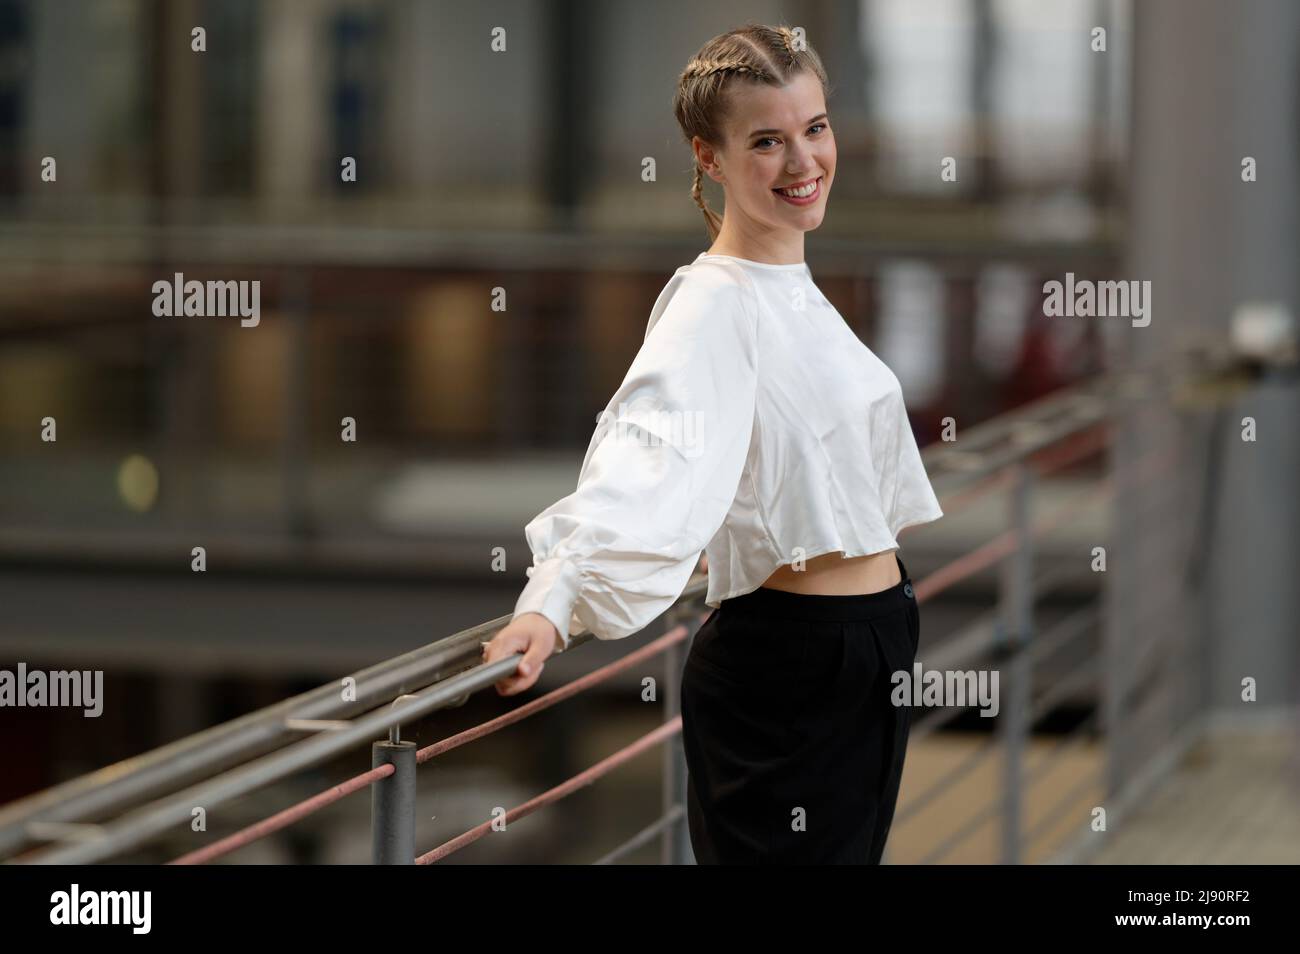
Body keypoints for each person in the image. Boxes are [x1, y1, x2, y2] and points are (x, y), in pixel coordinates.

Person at [482, 22, 943, 864]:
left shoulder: (794, 290)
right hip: (790, 671)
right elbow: (647, 447)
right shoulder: (715, 301)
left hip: (865, 649)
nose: (804, 162)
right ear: (709, 157)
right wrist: (553, 597)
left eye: (815, 128)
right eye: (767, 141)